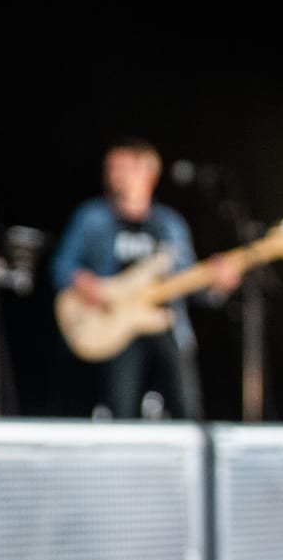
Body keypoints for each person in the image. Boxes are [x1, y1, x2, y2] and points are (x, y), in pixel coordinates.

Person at [51, 137, 240, 420]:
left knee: (187, 410)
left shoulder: (170, 224)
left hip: (164, 322)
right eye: (111, 168)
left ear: (148, 173)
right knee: (121, 410)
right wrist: (82, 282)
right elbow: (61, 266)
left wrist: (217, 284)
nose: (114, 175)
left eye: (123, 168)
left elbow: (189, 282)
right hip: (118, 325)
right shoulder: (92, 218)